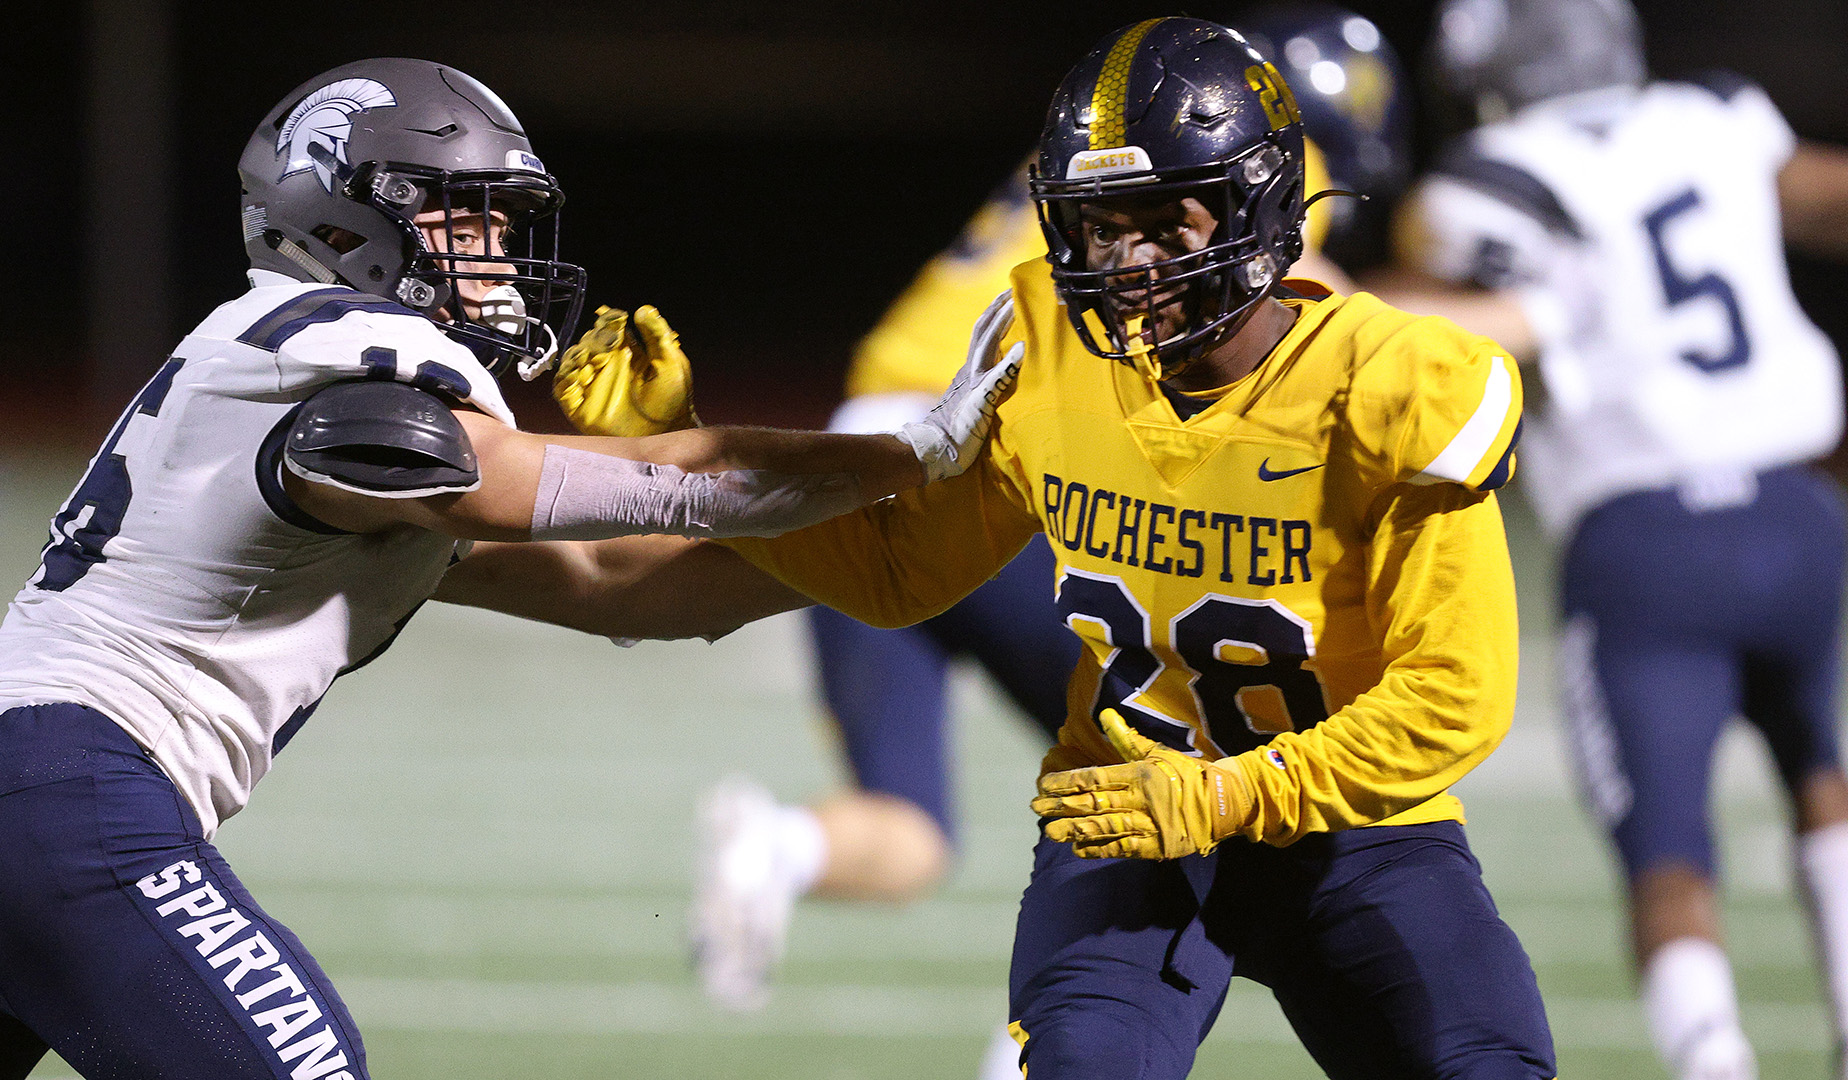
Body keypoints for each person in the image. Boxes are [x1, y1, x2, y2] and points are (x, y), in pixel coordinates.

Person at [0, 57, 1018, 1080]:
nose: (496, 248)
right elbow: (658, 486)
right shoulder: (331, 352)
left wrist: (922, 539)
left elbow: (629, 585)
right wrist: (907, 454)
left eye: (501, 216)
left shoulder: (319, 417)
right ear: (344, 211)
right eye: (463, 210)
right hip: (71, 807)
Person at [558, 18, 1556, 1077]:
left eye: (1164, 223)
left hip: (1355, 827)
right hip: (1126, 809)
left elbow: (1456, 692)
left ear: (1256, 207)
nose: (1126, 263)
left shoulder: (1393, 383)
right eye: (1097, 225)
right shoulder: (1045, 346)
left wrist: (1226, 795)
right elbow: (901, 573)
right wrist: (683, 460)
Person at [1375, 1, 1848, 1076]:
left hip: (1644, 538)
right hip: (1797, 514)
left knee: (1668, 851)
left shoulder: (1490, 179)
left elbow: (1445, 316)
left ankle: (1715, 1062)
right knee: (1822, 774)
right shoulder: (1713, 116)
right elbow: (1818, 195)